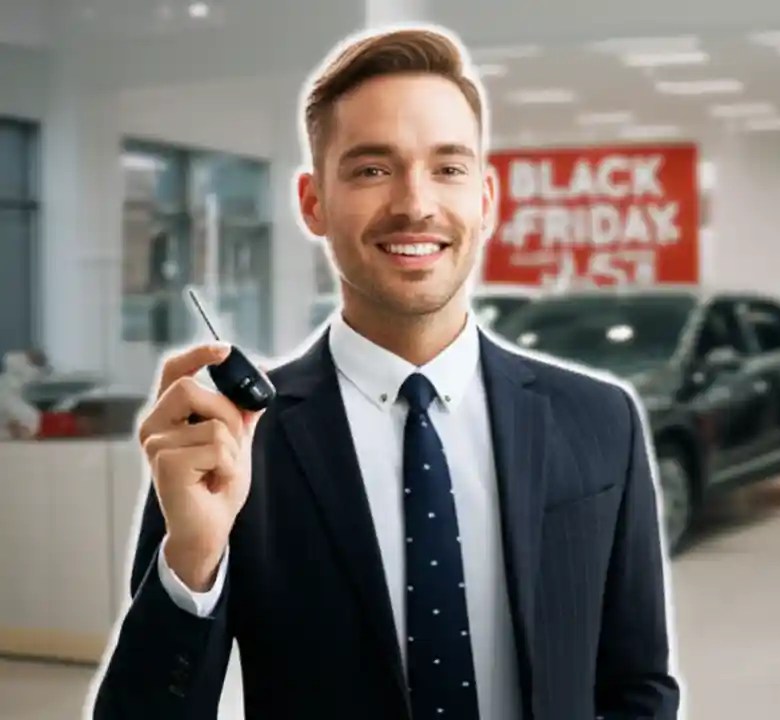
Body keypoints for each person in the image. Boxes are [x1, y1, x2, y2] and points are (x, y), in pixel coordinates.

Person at [92, 25, 680, 719]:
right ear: (313, 201)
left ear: (486, 200)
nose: (414, 203)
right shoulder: (238, 444)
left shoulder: (598, 420)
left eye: (448, 168)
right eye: (373, 168)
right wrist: (191, 556)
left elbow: (637, 685)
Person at [0, 349, 46, 440]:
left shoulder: (34, 372)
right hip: (7, 393)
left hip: (13, 396)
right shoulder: (16, 363)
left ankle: (20, 432)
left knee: (29, 417)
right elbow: (9, 360)